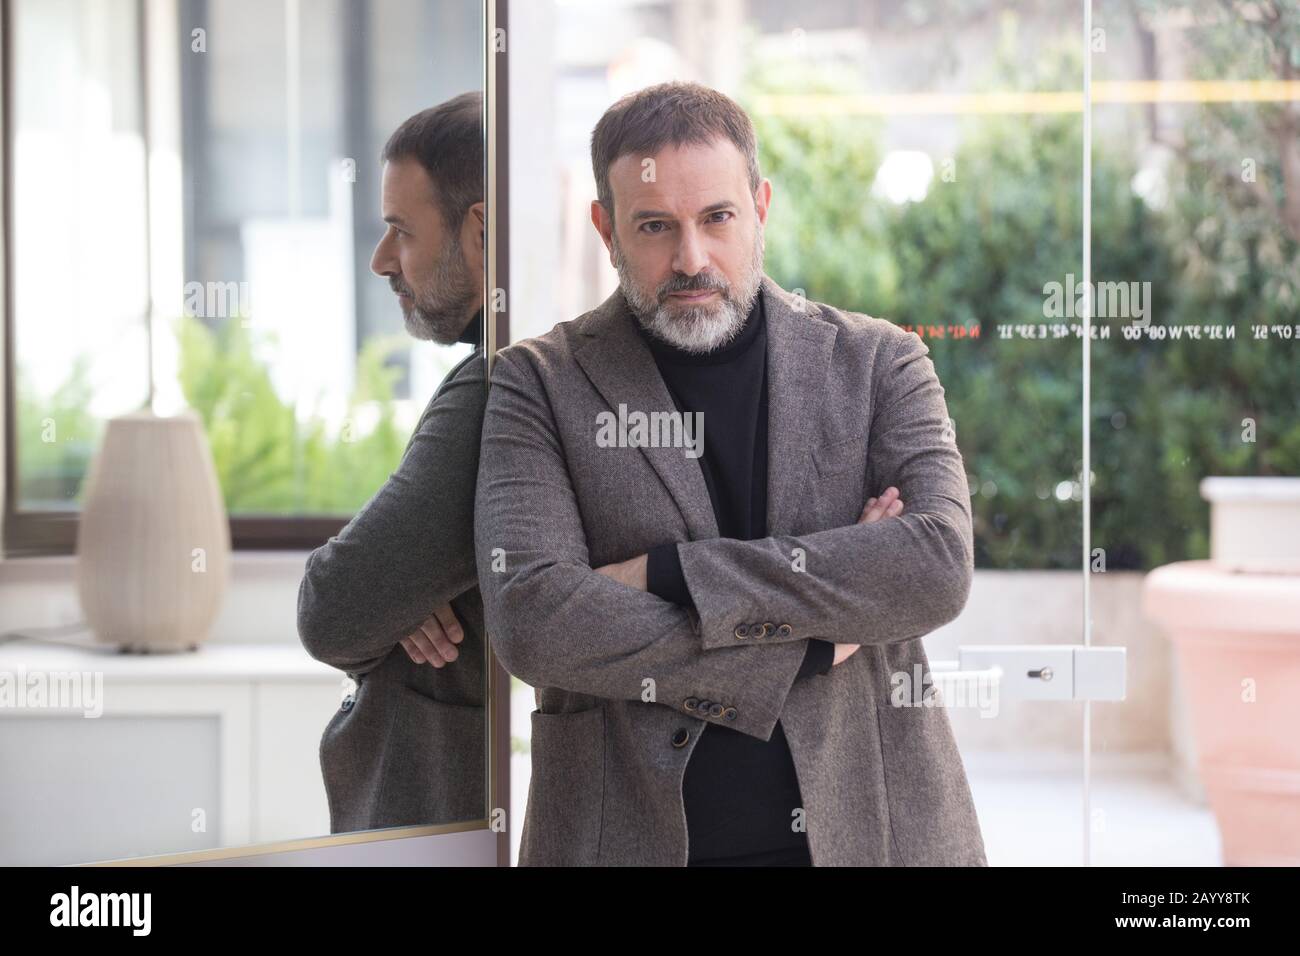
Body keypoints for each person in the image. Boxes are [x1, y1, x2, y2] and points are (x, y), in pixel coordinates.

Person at [474, 81, 986, 866]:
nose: (691, 259)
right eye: (655, 227)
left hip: (873, 835)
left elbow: (935, 567)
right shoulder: (537, 383)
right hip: (626, 839)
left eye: (717, 217)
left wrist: (663, 573)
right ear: (606, 228)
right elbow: (534, 618)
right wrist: (816, 644)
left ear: (761, 207)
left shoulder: (882, 363)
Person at [297, 92, 487, 832]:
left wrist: (393, 591)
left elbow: (333, 609)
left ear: (479, 233)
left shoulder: (489, 387)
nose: (381, 260)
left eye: (401, 232)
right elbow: (370, 590)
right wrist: (403, 589)